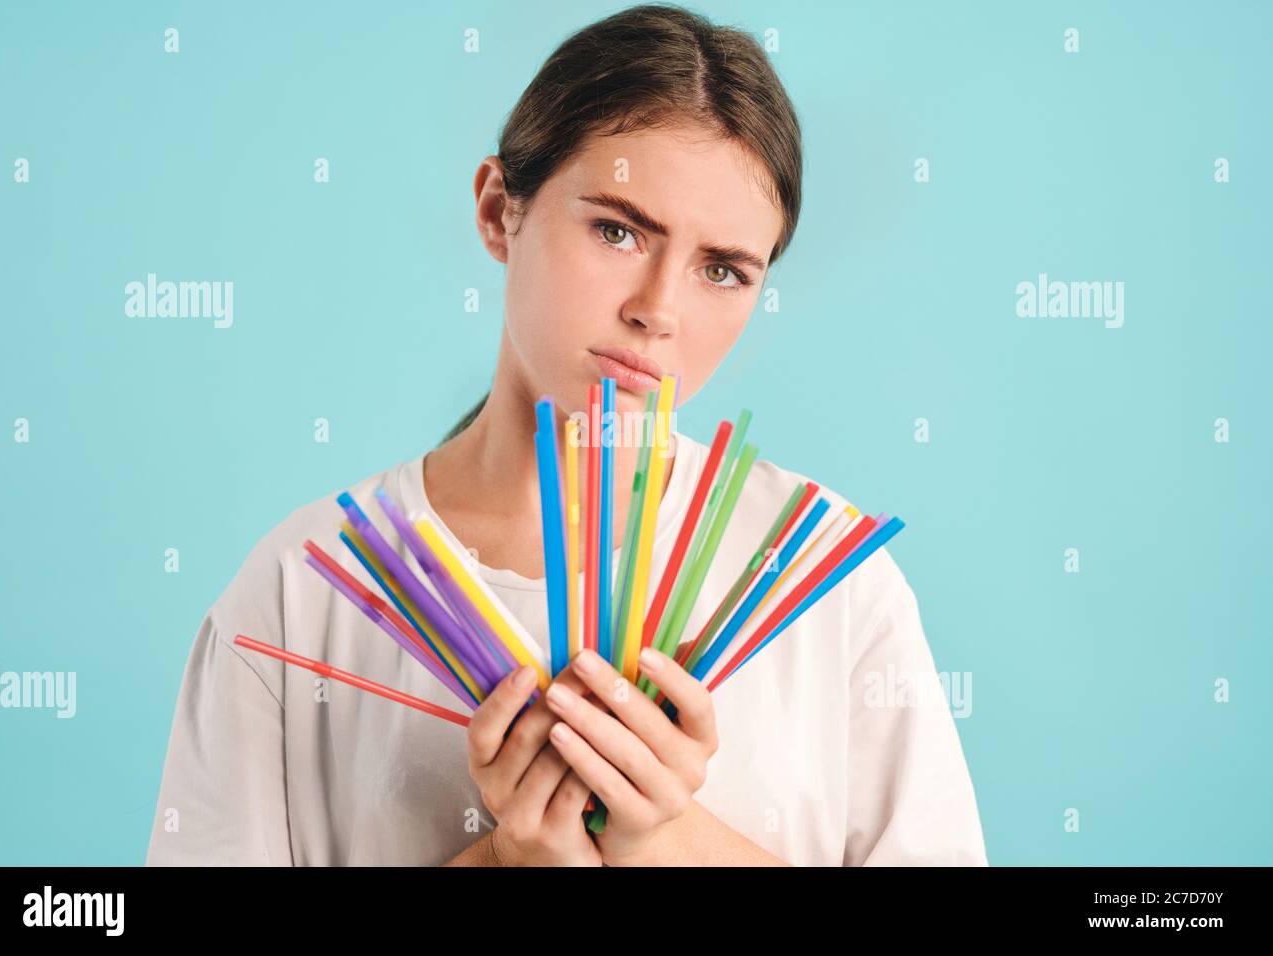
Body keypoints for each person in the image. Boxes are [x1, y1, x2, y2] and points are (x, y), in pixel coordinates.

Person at [146, 3, 987, 867]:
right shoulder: (302, 591)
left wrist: (665, 838)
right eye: (618, 230)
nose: (657, 310)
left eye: (722, 270)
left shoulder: (830, 584)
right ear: (497, 210)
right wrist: (506, 862)